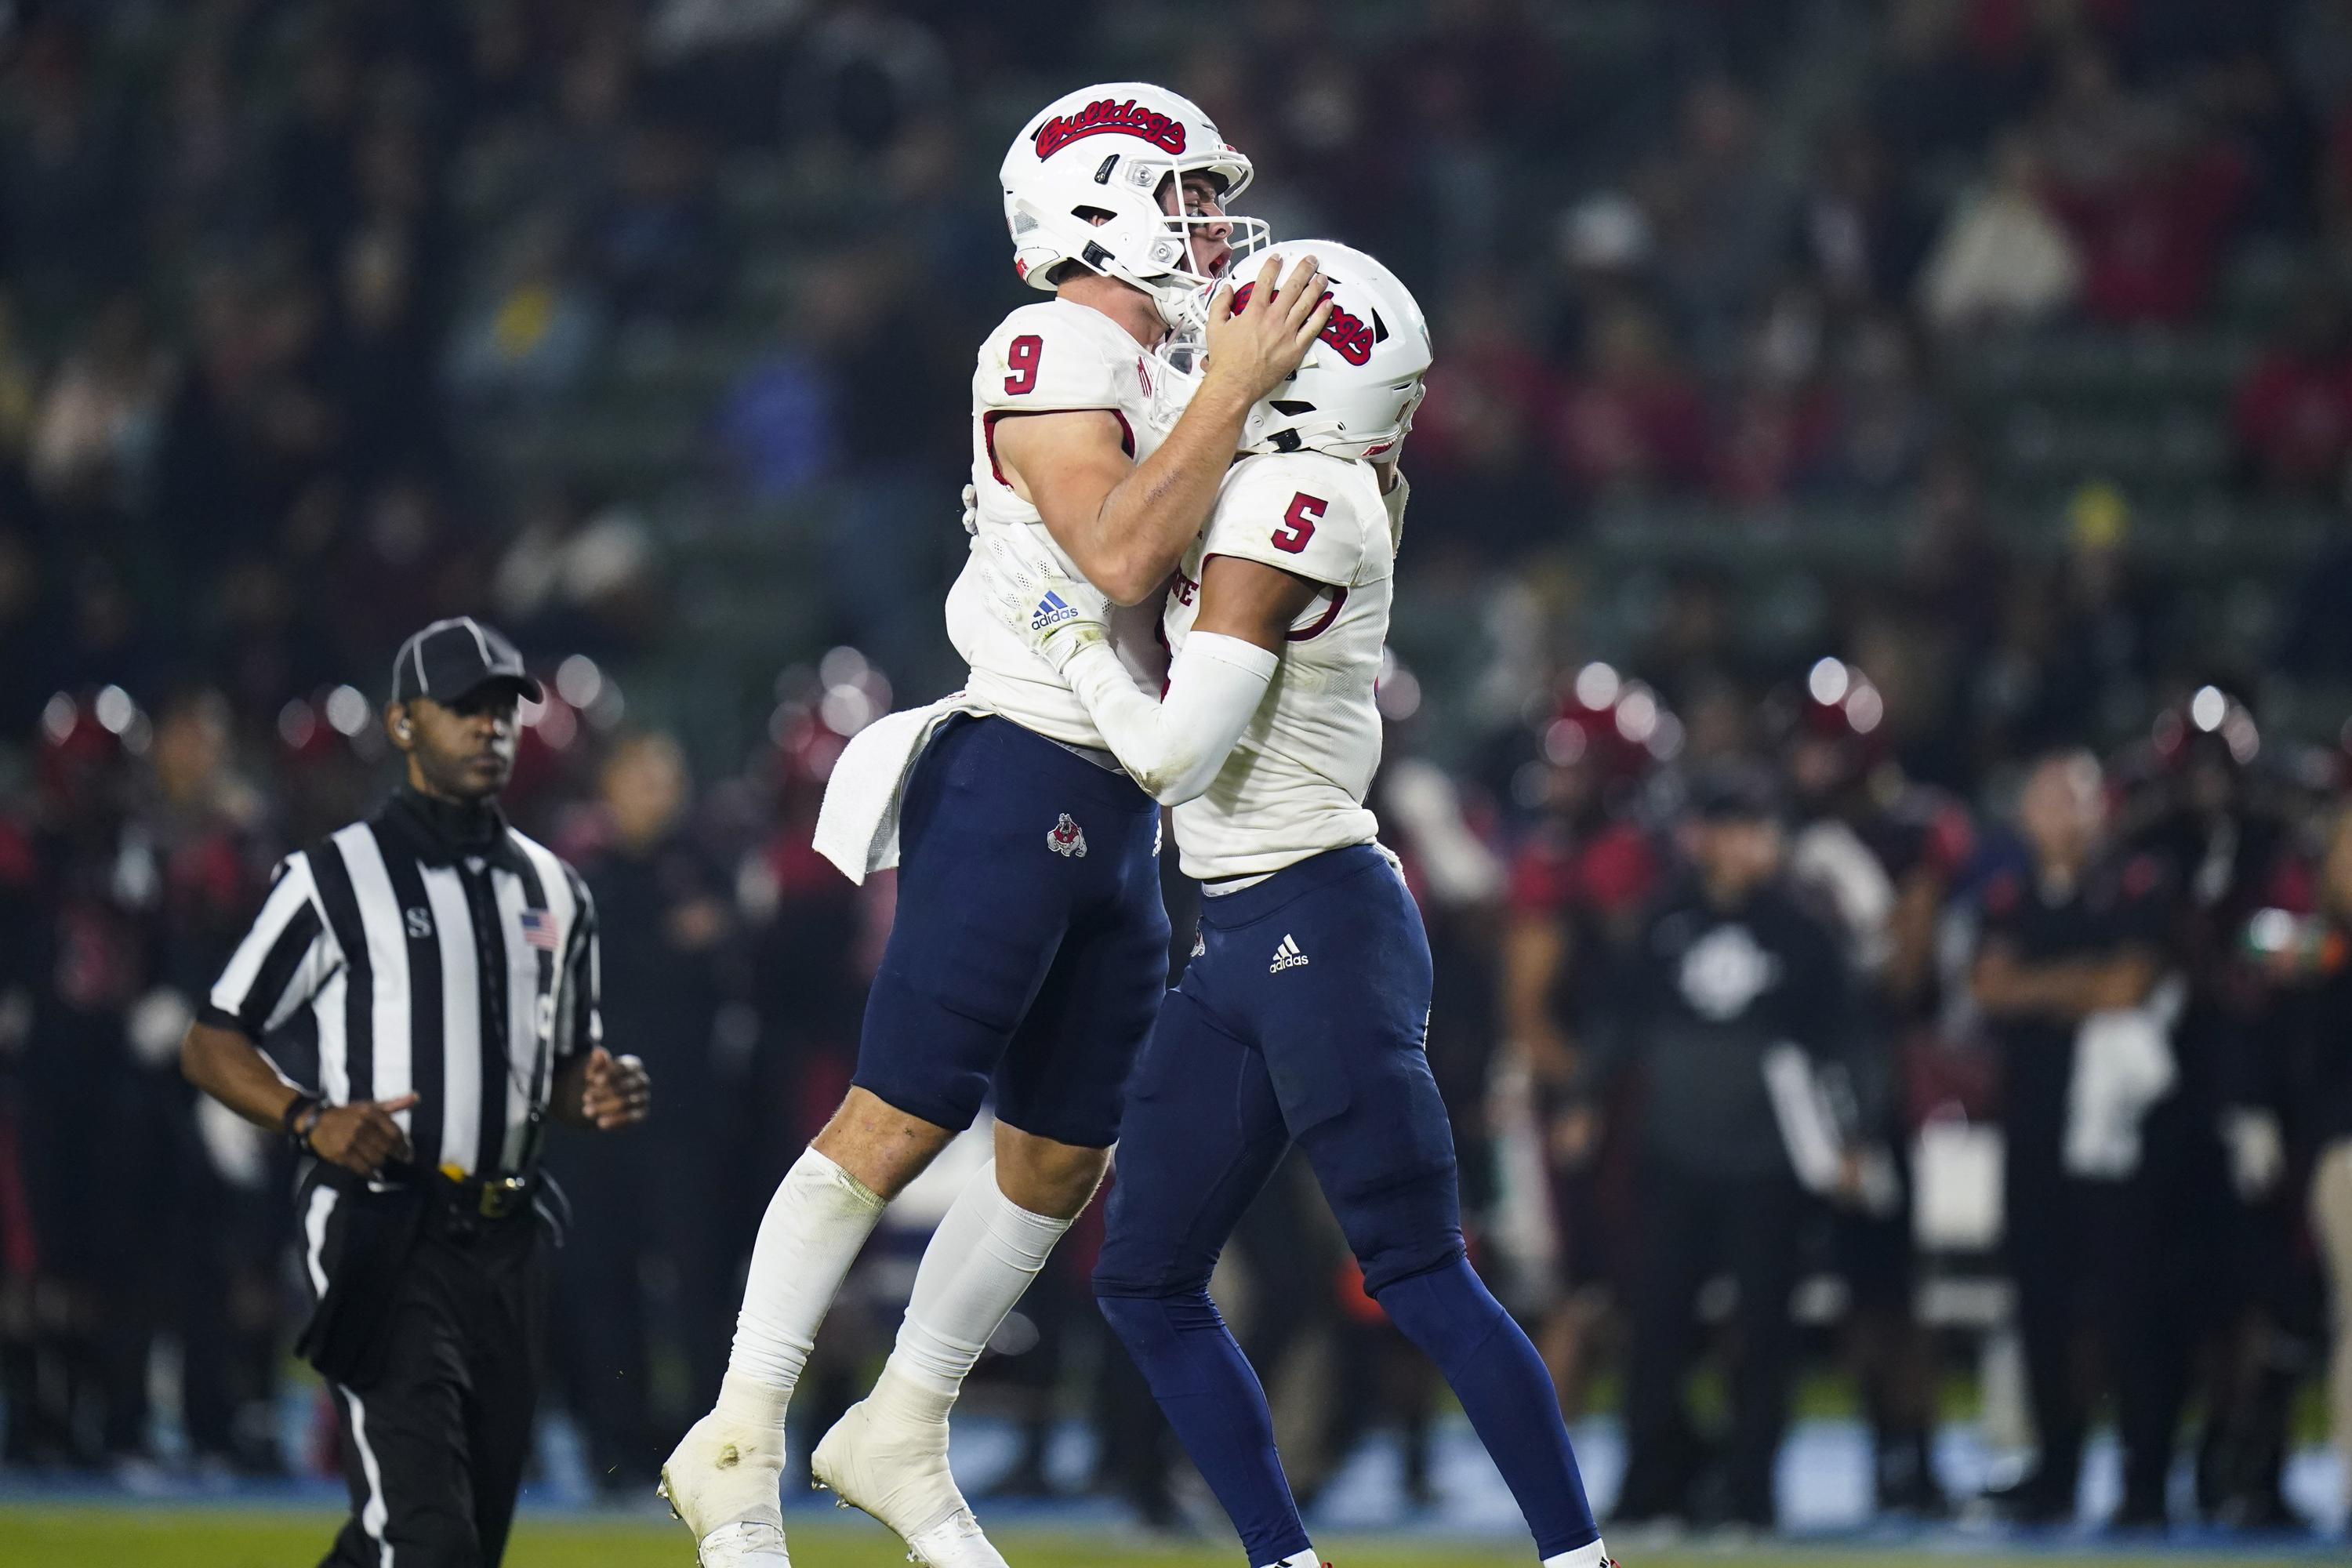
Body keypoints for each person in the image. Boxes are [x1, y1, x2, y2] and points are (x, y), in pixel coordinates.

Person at [659, 82, 1332, 1568]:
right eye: (1185, 196)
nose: (1212, 226)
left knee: (1056, 1161)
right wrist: (1232, 395)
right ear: (1095, 205)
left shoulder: (1164, 369)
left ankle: (902, 1422)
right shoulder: (1052, 345)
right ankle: (736, 1432)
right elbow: (1116, 551)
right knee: (897, 1118)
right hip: (1022, 765)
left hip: (1127, 793)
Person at [981, 240, 1611, 1568]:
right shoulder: (1308, 478)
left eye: (1272, 321)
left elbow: (1171, 755)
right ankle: (1283, 1558)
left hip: (1316, 919)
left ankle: (1576, 1559)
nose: (1232, 323)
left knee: (1417, 1270)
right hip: (1243, 929)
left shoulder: (1300, 501)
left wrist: (1057, 637)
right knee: (1146, 1278)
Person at [179, 616, 652, 1568]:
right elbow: (211, 1038)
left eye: (503, 710)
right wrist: (308, 1117)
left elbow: (558, 1069)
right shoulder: (332, 877)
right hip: (384, 1226)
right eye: (463, 708)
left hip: (512, 1237)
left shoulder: (560, 891)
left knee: (445, 1534)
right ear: (403, 723)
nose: (490, 728)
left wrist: (595, 1087)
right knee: (430, 1543)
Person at [1570, 760, 1860, 1531]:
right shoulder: (1664, 920)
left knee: (1765, 1330)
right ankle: (1649, 1483)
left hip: (1766, 1161)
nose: (1754, 843)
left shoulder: (1803, 930)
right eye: (1738, 827)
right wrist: (1585, 1101)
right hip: (1675, 1154)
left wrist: (1853, 1133)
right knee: (1658, 1326)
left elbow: (1842, 1041)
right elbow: (1616, 1024)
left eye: (1761, 827)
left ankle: (1751, 1490)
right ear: (1706, 838)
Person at [1971, 749, 2185, 1529]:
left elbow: (2130, 983)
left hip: (2124, 1136)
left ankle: (2145, 1480)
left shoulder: (2135, 882)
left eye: (2075, 798)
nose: (2062, 815)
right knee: (2042, 1307)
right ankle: (2054, 1471)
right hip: (2035, 1124)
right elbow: (1987, 987)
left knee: (2133, 1308)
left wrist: (2039, 987)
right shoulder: (2007, 889)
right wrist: (2080, 986)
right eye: (2047, 799)